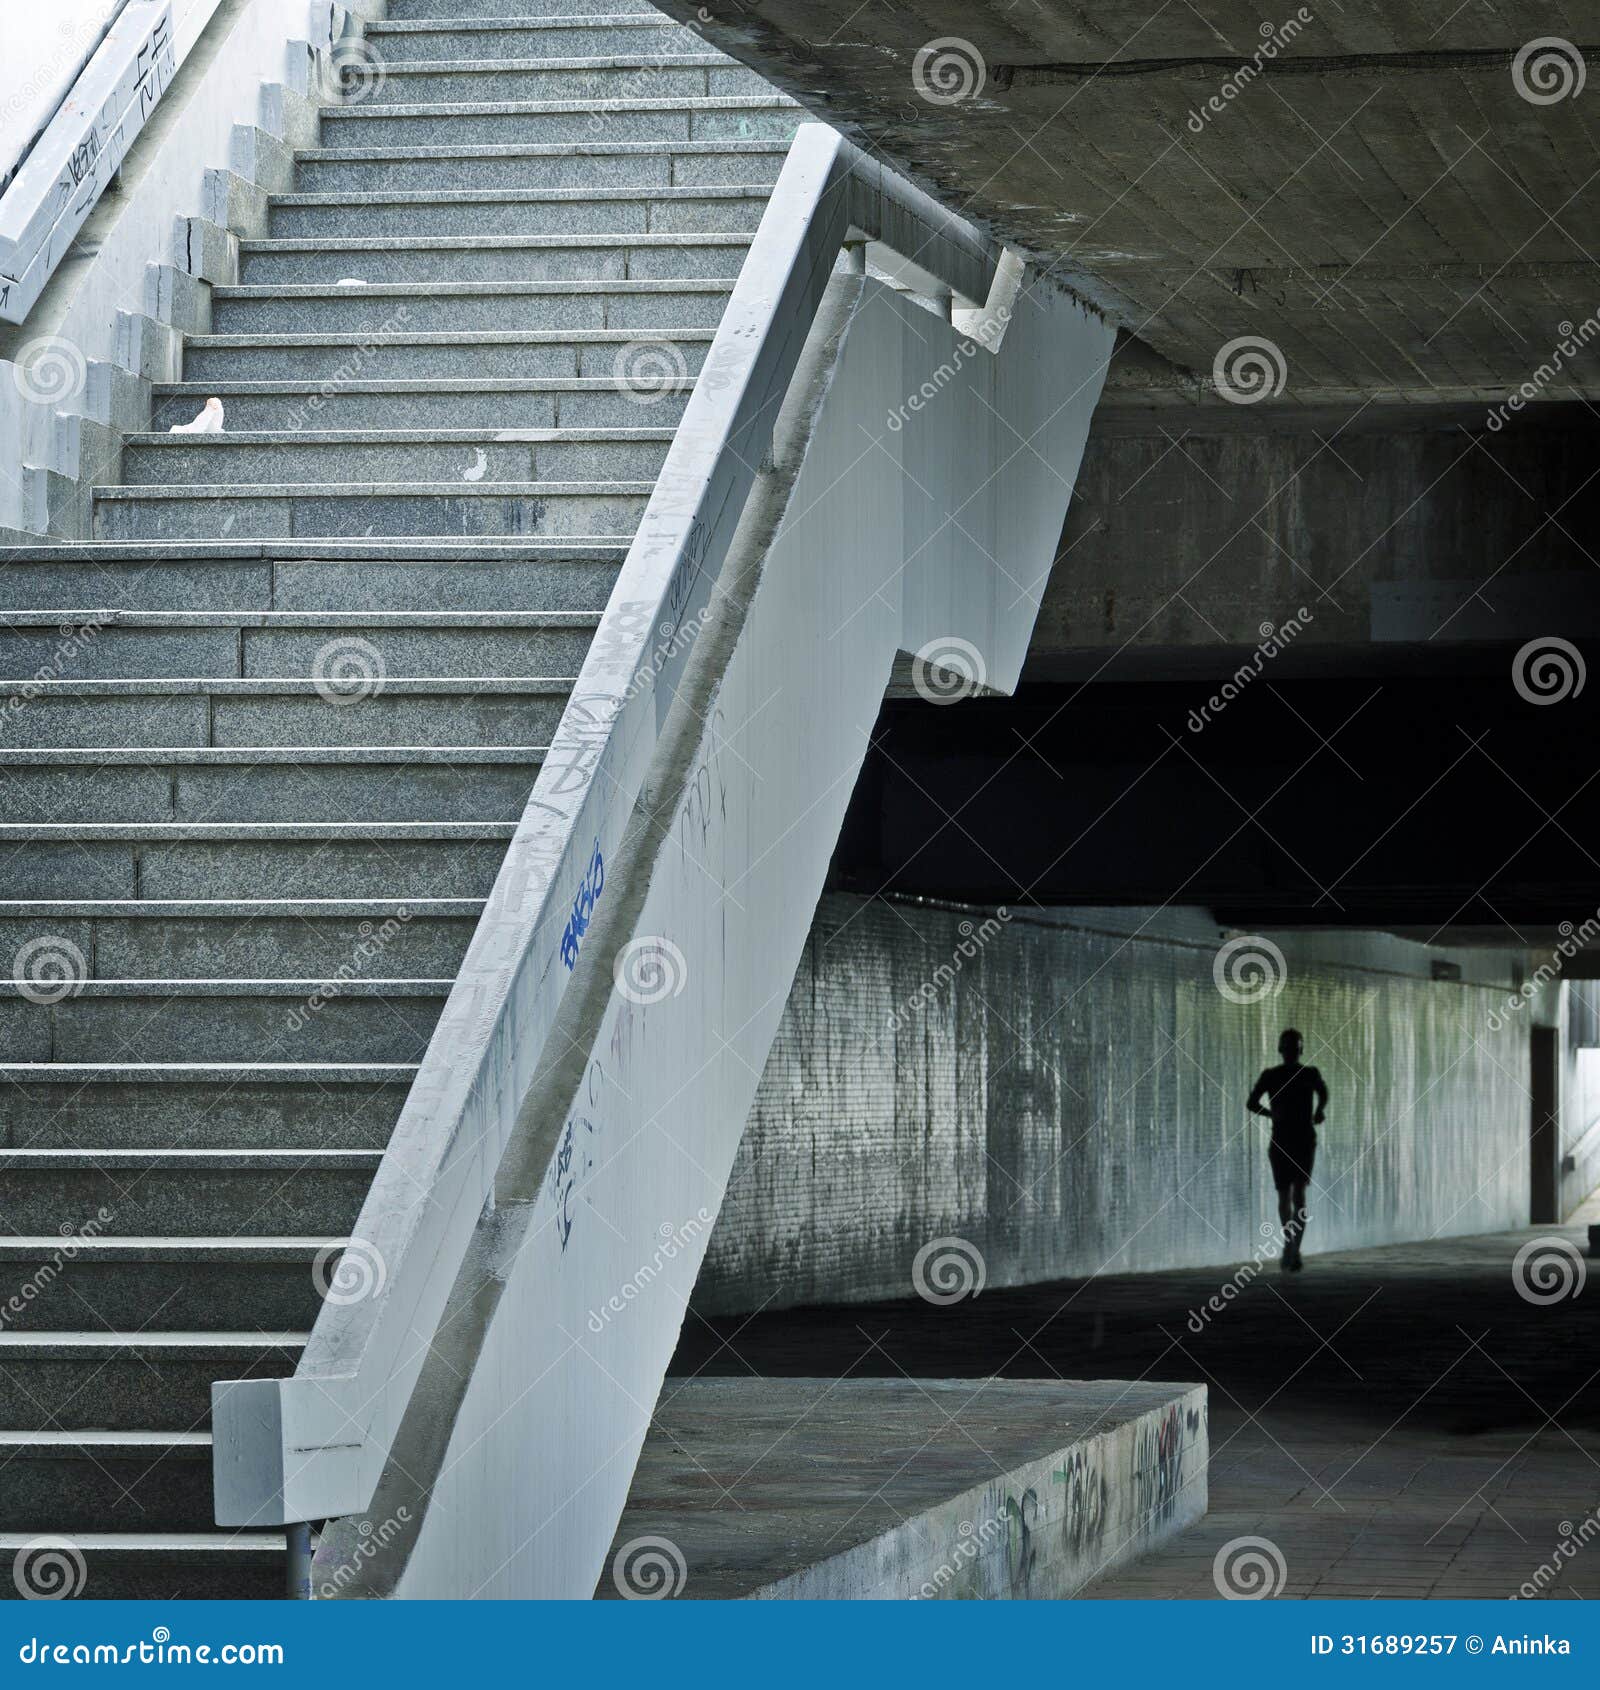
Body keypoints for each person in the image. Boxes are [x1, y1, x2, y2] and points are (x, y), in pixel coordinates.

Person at [1247, 1028, 1327, 1272]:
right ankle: (1292, 1247)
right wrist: (1318, 1110)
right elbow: (1323, 1093)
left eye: (1293, 1047)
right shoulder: (1303, 1074)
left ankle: (1291, 1247)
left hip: (1289, 1139)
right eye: (1290, 1047)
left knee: (1290, 1196)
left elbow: (1252, 1103)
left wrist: (1273, 1114)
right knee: (1294, 1195)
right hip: (1295, 1139)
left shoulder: (1280, 1075)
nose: (1291, 1051)